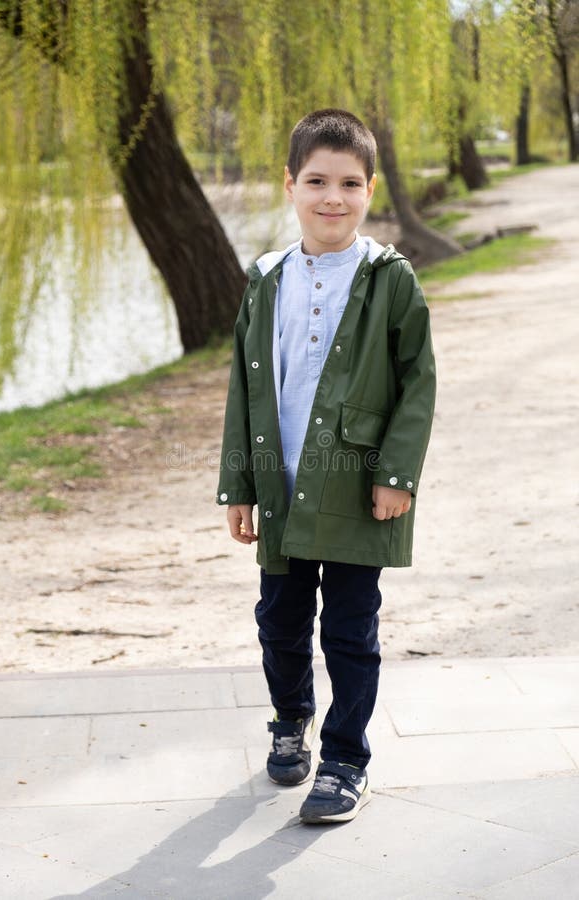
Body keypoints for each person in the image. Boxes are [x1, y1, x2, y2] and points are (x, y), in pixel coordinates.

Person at [216, 109, 436, 824]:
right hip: (279, 489)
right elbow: (245, 389)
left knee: (349, 628)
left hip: (353, 488)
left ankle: (345, 758)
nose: (331, 197)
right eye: (316, 181)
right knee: (279, 622)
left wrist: (395, 476)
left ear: (370, 188)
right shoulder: (267, 279)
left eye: (348, 182)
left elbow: (417, 382)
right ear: (290, 185)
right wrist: (239, 487)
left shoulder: (389, 278)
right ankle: (290, 721)